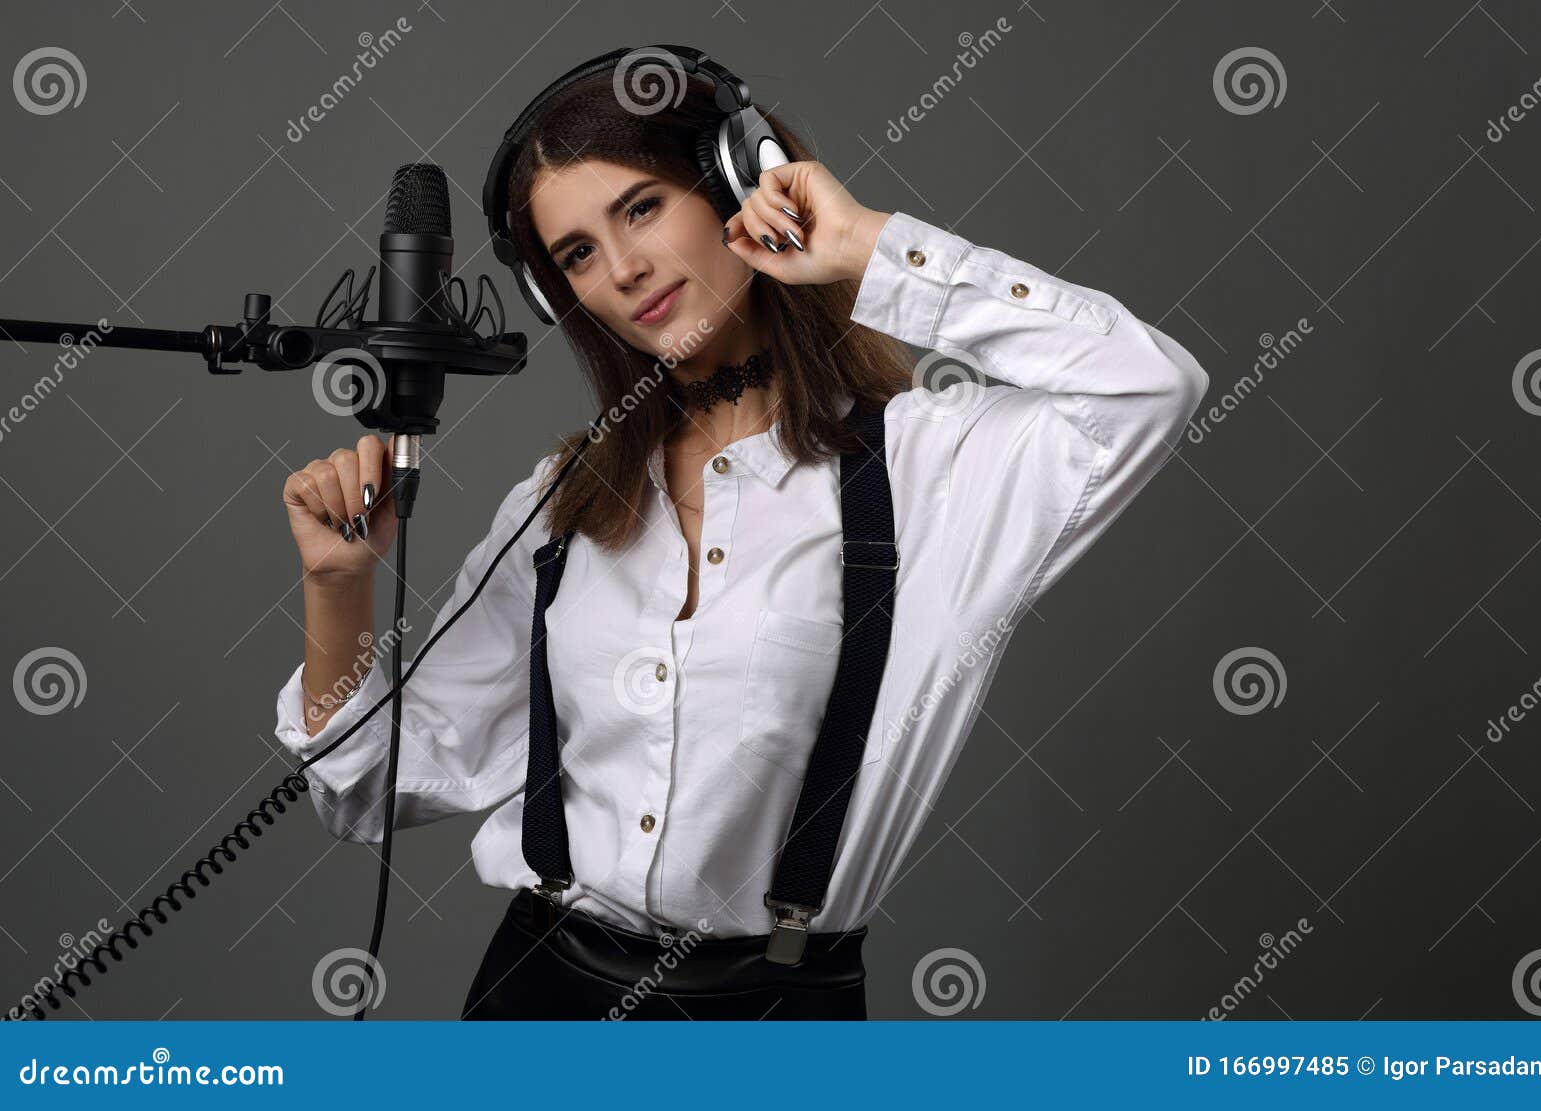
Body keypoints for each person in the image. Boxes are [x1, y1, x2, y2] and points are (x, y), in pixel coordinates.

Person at [273, 54, 1209, 1021]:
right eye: (579, 254)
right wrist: (338, 589)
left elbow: (1149, 387)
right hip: (534, 999)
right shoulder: (565, 502)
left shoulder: (931, 470)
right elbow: (363, 786)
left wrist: (866, 248)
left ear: (738, 178)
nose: (624, 270)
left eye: (640, 208)